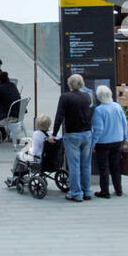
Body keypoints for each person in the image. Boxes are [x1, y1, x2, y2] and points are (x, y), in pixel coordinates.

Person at [53, 73, 94, 202]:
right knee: (86, 164)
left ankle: (76, 193)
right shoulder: (87, 96)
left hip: (72, 134)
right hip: (87, 133)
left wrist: (54, 133)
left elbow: (59, 116)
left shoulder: (65, 97)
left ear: (69, 84)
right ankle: (87, 191)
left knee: (74, 164)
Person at [91, 83, 128, 198]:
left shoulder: (99, 110)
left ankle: (105, 191)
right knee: (115, 166)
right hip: (117, 140)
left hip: (103, 143)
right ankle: (119, 189)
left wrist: (93, 143)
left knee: (104, 167)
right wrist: (125, 137)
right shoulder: (117, 106)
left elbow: (98, 129)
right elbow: (124, 122)